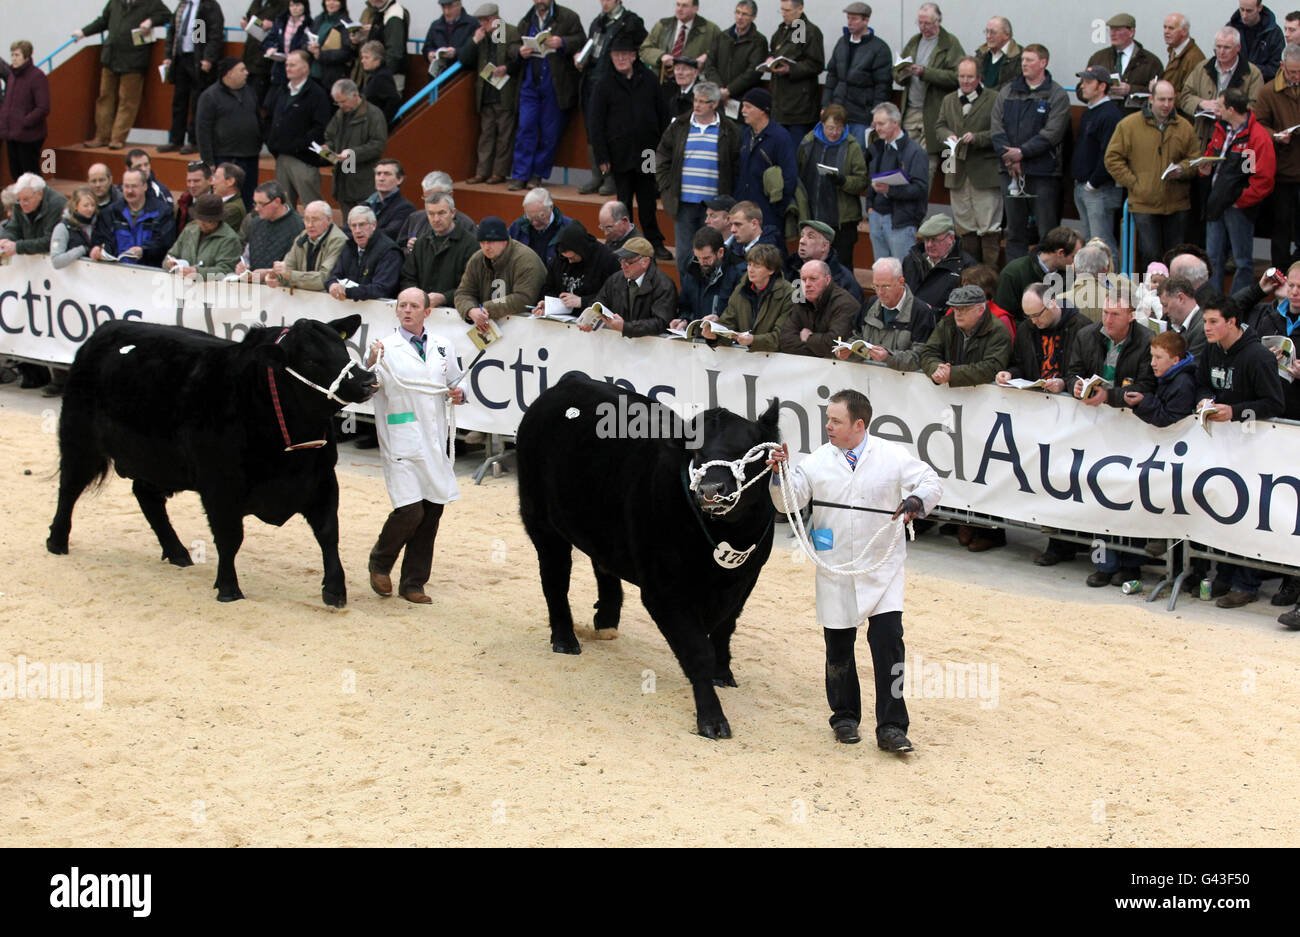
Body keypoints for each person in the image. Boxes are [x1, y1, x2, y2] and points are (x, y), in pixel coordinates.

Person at [766, 388, 942, 750]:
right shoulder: (816, 461)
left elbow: (932, 482)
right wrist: (779, 472)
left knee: (888, 643)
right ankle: (845, 718)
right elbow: (788, 503)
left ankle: (892, 727)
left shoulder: (892, 456)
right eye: (828, 419)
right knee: (839, 647)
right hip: (836, 567)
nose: (827, 425)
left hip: (883, 568)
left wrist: (914, 501)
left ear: (858, 424)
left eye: (836, 420)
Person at [364, 287, 466, 605]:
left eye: (414, 306)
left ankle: (414, 583)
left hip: (433, 436)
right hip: (401, 435)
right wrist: (370, 362)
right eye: (402, 305)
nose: (407, 310)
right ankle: (380, 563)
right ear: (396, 311)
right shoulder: (384, 347)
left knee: (432, 509)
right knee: (409, 509)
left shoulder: (442, 346)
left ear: (427, 312)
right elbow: (366, 384)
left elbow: (456, 381)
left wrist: (458, 393)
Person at [1195, 291, 1285, 607]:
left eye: (1213, 322)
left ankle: (1246, 583)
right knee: (1222, 508)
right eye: (1205, 321)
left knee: (1246, 513)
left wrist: (1235, 411)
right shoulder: (1211, 351)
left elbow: (1274, 402)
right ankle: (1225, 575)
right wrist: (1206, 400)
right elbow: (1203, 383)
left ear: (1232, 322)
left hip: (1252, 447)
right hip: (1221, 446)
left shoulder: (1258, 356)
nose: (1206, 327)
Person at [588, 30, 672, 260]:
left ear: (634, 56)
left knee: (647, 202)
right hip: (619, 153)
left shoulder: (649, 80)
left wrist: (663, 150)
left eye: (625, 55)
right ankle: (625, 246)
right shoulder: (604, 85)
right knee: (622, 203)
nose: (621, 59)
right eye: (616, 55)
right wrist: (602, 157)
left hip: (647, 152)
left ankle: (655, 242)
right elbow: (595, 124)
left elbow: (663, 114)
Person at [1103, 79, 1200, 272]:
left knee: (1176, 257)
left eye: (1171, 100)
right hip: (1143, 203)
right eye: (1162, 99)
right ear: (1151, 99)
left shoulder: (1185, 126)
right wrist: (1134, 183)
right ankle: (1151, 298)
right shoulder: (1129, 125)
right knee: (1150, 255)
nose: (1166, 105)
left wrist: (1183, 169)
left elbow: (1195, 158)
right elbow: (1112, 159)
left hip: (1177, 202)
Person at [990, 43, 1070, 261]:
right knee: (1014, 231)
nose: (1024, 64)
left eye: (1030, 60)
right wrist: (1010, 157)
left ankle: (1048, 282)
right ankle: (1016, 280)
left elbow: (1052, 133)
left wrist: (1022, 153)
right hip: (1009, 171)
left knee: (1048, 234)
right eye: (1023, 60)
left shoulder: (1057, 94)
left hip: (1043, 173)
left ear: (1043, 63)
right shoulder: (1008, 91)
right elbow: (996, 127)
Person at [656, 80, 742, 277]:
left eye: (703, 102)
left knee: (712, 255)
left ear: (714, 104)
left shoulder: (729, 129)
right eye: (696, 100)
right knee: (684, 255)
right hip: (684, 202)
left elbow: (737, 165)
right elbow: (660, 156)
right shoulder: (679, 125)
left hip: (714, 206)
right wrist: (665, 186)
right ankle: (687, 300)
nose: (697, 105)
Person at [1203, 87, 1276, 292]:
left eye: (1219, 105)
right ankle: (1213, 304)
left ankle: (1239, 304)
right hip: (1217, 202)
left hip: (1239, 208)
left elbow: (1262, 179)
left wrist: (1241, 200)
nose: (1216, 109)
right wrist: (1204, 167)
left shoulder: (1257, 137)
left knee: (1242, 260)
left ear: (1232, 109)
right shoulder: (1221, 129)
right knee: (1213, 258)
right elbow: (1211, 155)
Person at [73, 0, 171, 150]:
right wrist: (83, 32)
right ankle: (102, 136)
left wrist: (151, 21)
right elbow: (103, 21)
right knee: (105, 98)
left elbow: (167, 15)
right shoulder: (115, 2)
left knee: (128, 101)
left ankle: (117, 138)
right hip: (111, 57)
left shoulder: (151, 3)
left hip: (134, 60)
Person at [510, 1, 584, 190]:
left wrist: (563, 43)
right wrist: (519, 52)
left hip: (555, 83)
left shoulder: (569, 17)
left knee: (550, 132)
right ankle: (520, 174)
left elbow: (581, 40)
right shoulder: (527, 19)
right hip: (530, 81)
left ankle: (537, 174)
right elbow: (512, 45)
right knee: (525, 127)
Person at [935, 55, 1002, 265]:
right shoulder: (948, 100)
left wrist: (978, 137)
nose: (965, 81)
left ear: (979, 77)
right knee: (964, 226)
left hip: (984, 170)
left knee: (988, 226)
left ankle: (989, 276)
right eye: (962, 76)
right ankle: (970, 274)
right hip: (956, 169)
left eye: (970, 77)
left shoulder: (994, 98)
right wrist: (947, 135)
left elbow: (1000, 131)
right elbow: (939, 126)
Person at [575, 0, 645, 196]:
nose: (604, 3)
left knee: (612, 131)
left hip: (614, 85)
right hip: (591, 82)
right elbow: (591, 47)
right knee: (593, 131)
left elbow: (639, 52)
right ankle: (598, 175)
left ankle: (611, 178)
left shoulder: (630, 22)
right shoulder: (597, 23)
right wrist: (581, 58)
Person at [891, 2, 964, 184]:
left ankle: (920, 204)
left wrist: (925, 73)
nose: (923, 28)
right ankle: (905, 202)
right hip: (911, 110)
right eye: (920, 23)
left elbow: (958, 78)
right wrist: (902, 73)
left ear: (938, 22)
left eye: (927, 24)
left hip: (933, 112)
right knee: (905, 159)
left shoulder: (950, 43)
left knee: (926, 163)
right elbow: (896, 70)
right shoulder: (915, 41)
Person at [795, 104, 867, 264]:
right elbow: (798, 173)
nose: (834, 132)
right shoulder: (808, 142)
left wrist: (843, 181)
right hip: (814, 216)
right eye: (830, 128)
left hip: (841, 221)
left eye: (839, 128)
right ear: (822, 125)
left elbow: (862, 181)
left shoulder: (852, 147)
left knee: (842, 265)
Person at [834, 256, 934, 371]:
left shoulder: (921, 312)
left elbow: (919, 358)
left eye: (886, 286)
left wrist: (888, 357)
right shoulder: (870, 305)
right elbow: (857, 337)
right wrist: (848, 352)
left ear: (901, 282)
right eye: (876, 286)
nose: (880, 293)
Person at [460, 3, 522, 186]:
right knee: (486, 135)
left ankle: (499, 172)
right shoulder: (481, 36)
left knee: (504, 136)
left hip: (505, 93)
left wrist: (507, 68)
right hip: (486, 93)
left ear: (493, 18)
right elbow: (464, 59)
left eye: (484, 21)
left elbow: (518, 60)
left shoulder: (510, 33)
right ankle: (482, 172)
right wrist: (474, 41)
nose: (482, 25)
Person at [263, 48, 332, 211]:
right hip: (281, 157)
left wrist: (299, 145)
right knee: (284, 207)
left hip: (304, 160)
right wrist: (271, 142)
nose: (288, 68)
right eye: (287, 65)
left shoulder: (317, 93)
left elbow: (320, 126)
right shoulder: (281, 90)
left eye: (293, 65)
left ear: (305, 68)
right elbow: (269, 118)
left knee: (313, 207)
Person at [1252, 43, 1300, 268]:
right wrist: (1275, 135)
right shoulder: (1269, 92)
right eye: (1292, 72)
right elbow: (1259, 125)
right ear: (1282, 66)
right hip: (1281, 170)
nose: (1297, 76)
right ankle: (1280, 274)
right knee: (1280, 227)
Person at [864, 102, 930, 261]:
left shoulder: (915, 152)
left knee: (902, 274)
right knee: (882, 274)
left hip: (901, 222)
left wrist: (889, 190)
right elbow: (871, 178)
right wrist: (869, 207)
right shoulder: (878, 147)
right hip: (877, 217)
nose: (877, 128)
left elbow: (920, 188)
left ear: (895, 123)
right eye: (875, 124)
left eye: (882, 124)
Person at [821, 3, 892, 150]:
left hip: (862, 114)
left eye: (854, 19)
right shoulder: (842, 42)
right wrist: (825, 105)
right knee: (835, 154)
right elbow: (832, 76)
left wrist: (876, 113)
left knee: (858, 155)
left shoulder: (879, 48)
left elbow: (883, 85)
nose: (849, 22)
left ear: (866, 20)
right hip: (838, 110)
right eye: (848, 18)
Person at [1072, 66, 1125, 259]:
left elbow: (1110, 154)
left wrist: (1093, 182)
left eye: (1088, 82)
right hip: (1085, 187)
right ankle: (1094, 286)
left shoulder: (1109, 115)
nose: (1082, 86)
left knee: (1102, 243)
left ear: (1102, 86)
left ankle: (1111, 286)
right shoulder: (1090, 111)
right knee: (1090, 242)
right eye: (1083, 82)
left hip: (1100, 189)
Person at [455, 215, 548, 326]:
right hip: (491, 325)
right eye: (482, 242)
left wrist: (486, 309)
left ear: (504, 241)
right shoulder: (477, 259)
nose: (486, 247)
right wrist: (471, 310)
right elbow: (463, 293)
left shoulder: (526, 260)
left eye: (490, 242)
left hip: (525, 329)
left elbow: (524, 299)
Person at [1180, 27, 1263, 149]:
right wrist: (1201, 103)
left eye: (1227, 47)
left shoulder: (1252, 73)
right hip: (1204, 135)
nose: (1221, 52)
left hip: (1236, 139)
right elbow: (1185, 96)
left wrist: (1227, 113)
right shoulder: (1203, 68)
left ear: (1238, 48)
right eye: (1218, 47)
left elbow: (1255, 107)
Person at [919, 283, 1012, 389]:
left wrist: (952, 374)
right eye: (955, 308)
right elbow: (928, 353)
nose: (958, 313)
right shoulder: (947, 323)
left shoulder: (997, 330)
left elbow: (991, 368)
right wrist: (937, 370)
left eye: (964, 309)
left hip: (984, 399)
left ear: (980, 310)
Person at [195, 60, 262, 208]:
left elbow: (257, 118)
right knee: (225, 200)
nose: (247, 73)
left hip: (250, 155)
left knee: (249, 199)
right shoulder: (209, 96)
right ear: (229, 74)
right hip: (225, 157)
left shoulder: (250, 91)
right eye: (242, 70)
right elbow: (203, 130)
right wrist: (208, 161)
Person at [703, 243, 794, 350]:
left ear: (771, 270)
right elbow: (729, 324)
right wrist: (714, 335)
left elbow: (781, 336)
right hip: (746, 361)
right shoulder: (740, 289)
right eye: (749, 264)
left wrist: (753, 340)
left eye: (757, 266)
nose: (750, 270)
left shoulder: (788, 294)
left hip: (777, 361)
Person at [399, 192, 479, 307]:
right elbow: (407, 277)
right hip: (422, 310)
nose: (436, 219)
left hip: (455, 313)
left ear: (453, 213)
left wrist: (445, 298)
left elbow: (473, 286)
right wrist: (416, 294)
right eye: (431, 214)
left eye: (441, 213)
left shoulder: (470, 244)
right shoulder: (421, 243)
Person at [587, 236, 679, 336]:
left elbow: (661, 323)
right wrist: (590, 319)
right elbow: (599, 302)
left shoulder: (664, 285)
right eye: (621, 260)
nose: (623, 266)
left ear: (645, 262)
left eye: (628, 262)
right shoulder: (615, 280)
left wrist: (626, 327)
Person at [324, 78, 389, 216]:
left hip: (364, 181)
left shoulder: (374, 115)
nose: (340, 105)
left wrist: (353, 153)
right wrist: (328, 149)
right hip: (343, 180)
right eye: (338, 102)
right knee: (348, 225)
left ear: (355, 95)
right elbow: (330, 135)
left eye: (343, 101)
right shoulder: (340, 114)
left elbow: (378, 145)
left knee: (363, 222)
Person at [734, 88, 797, 231]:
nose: (743, 110)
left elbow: (789, 176)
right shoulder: (746, 134)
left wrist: (777, 208)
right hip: (744, 210)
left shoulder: (780, 137)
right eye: (743, 106)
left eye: (748, 107)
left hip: (769, 214)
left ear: (763, 110)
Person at [763, 0, 825, 143]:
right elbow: (774, 51)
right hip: (779, 103)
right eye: (782, 10)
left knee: (794, 152)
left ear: (800, 9)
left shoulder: (808, 31)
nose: (783, 14)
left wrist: (791, 69)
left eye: (787, 11)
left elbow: (816, 64)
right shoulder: (782, 31)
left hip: (799, 107)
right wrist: (769, 59)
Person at [90, 168, 176, 267]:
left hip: (150, 272)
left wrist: (144, 251)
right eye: (126, 186)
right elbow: (102, 239)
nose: (130, 191)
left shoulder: (163, 212)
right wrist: (98, 249)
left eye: (134, 186)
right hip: (116, 271)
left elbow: (166, 244)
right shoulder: (110, 212)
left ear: (144, 186)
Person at [994, 225, 1078, 320]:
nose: (1078, 262)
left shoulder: (1070, 275)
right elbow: (1004, 318)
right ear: (1061, 253)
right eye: (1074, 257)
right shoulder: (1013, 273)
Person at [534, 219, 619, 312]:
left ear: (582, 251)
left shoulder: (607, 259)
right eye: (566, 258)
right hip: (561, 315)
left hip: (592, 316)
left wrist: (582, 301)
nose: (569, 262)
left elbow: (613, 295)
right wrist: (548, 303)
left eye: (572, 258)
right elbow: (548, 287)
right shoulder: (559, 259)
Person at [1086, 13, 1164, 113]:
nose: (1112, 34)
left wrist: (1130, 89)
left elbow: (1161, 95)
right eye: (1111, 29)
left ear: (1131, 32)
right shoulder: (1099, 58)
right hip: (1103, 118)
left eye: (1117, 30)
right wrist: (1101, 90)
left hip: (1136, 120)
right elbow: (1081, 90)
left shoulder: (1151, 62)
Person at [779, 260, 857, 356]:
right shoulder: (800, 301)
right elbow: (785, 341)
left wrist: (809, 338)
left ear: (827, 280)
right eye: (803, 279)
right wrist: (818, 349)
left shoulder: (844, 303)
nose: (807, 284)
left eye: (813, 279)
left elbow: (835, 345)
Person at [325, 204, 403, 300]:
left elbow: (381, 289)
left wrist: (347, 291)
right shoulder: (349, 246)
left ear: (373, 225)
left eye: (362, 225)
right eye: (353, 225)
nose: (357, 230)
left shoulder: (389, 251)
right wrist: (332, 284)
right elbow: (334, 275)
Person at [266, 199, 347, 290]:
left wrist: (290, 275)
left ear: (328, 220)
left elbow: (324, 279)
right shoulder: (303, 237)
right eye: (306, 219)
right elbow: (288, 267)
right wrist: (277, 277)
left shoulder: (338, 240)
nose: (309, 224)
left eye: (315, 220)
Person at [1123, 329, 1198, 426]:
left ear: (1175, 360)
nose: (1152, 363)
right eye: (1152, 356)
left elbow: (1171, 423)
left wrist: (1143, 402)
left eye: (1158, 357)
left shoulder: (1183, 383)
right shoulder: (1166, 375)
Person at [0, 41, 51, 179]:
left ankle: (39, 199)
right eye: (12, 55)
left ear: (26, 56)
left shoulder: (37, 76)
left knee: (30, 175)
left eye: (17, 55)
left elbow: (43, 107)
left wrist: (24, 121)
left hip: (29, 136)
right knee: (15, 173)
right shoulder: (12, 77)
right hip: (11, 134)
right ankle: (20, 200)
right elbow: (9, 103)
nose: (13, 58)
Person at [901, 213, 973, 311]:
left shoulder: (966, 267)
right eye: (926, 239)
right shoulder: (911, 260)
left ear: (951, 238)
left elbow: (964, 308)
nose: (929, 245)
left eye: (935, 240)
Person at [671, 225, 743, 323]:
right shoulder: (692, 268)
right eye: (698, 257)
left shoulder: (738, 273)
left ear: (720, 252)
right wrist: (684, 320)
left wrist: (720, 320)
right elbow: (685, 306)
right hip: (696, 335)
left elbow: (741, 314)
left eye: (706, 258)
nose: (701, 262)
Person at [640, 0, 719, 87]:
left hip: (693, 85)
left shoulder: (710, 29)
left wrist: (707, 58)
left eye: (684, 6)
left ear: (695, 8)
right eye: (678, 5)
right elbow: (644, 49)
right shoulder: (663, 25)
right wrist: (660, 56)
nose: (679, 9)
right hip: (662, 81)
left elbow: (721, 53)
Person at [164, 192, 243, 278]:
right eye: (200, 219)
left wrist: (198, 272)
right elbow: (170, 256)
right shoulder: (189, 231)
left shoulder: (229, 239)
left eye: (209, 221)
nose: (203, 223)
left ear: (218, 219)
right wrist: (170, 265)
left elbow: (226, 270)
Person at [705, 1, 766, 110]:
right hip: (718, 96)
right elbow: (709, 65)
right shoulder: (722, 37)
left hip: (743, 98)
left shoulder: (758, 41)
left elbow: (753, 71)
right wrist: (719, 88)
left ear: (753, 17)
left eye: (744, 14)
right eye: (737, 12)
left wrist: (730, 90)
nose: (740, 17)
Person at [785, 219, 862, 302]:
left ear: (824, 246)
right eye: (802, 236)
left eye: (810, 237)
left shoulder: (843, 280)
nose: (802, 241)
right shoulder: (789, 270)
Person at [240, 181, 305, 280]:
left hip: (281, 287)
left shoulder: (299, 226)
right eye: (255, 203)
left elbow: (298, 266)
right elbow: (248, 252)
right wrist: (243, 264)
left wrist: (269, 272)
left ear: (277, 202)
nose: (257, 208)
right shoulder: (256, 222)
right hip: (253, 284)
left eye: (261, 204)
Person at [0, 173, 67, 260]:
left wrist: (17, 247)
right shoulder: (20, 202)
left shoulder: (57, 204)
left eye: (26, 199)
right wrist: (5, 241)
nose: (22, 204)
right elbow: (13, 228)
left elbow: (50, 241)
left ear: (39, 194)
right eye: (19, 199)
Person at [240, 1, 290, 105]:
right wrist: (246, 23)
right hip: (250, 53)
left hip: (266, 57)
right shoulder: (256, 2)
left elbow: (289, 24)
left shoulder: (283, 4)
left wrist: (273, 25)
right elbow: (251, 17)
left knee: (258, 99)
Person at [508, 187, 570, 265]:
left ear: (551, 207)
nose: (534, 223)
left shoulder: (568, 228)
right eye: (530, 218)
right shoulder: (517, 227)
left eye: (540, 216)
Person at [358, 0, 409, 92]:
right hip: (381, 74)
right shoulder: (382, 11)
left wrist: (382, 75)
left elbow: (395, 52)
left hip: (388, 77)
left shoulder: (394, 16)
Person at [1156, 274, 1209, 360]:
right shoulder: (1172, 324)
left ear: (1180, 298)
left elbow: (1191, 367)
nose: (1164, 311)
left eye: (1165, 305)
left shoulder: (1202, 328)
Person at [1231, 0, 1286, 82]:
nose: (1244, 15)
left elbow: (1277, 69)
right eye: (1242, 9)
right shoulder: (1231, 29)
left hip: (1263, 85)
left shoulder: (1274, 33)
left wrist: (1251, 69)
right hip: (1234, 86)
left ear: (1259, 8)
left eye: (1249, 11)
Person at [263, 0, 314, 89]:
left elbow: (307, 45)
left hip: (298, 68)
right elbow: (270, 39)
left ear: (304, 6)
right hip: (280, 66)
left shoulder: (310, 24)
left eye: (297, 5)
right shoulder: (281, 20)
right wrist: (271, 48)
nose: (294, 8)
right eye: (291, 5)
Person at [363, 158, 416, 241]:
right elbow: (347, 230)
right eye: (378, 174)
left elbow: (390, 233)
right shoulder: (365, 204)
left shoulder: (405, 208)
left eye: (387, 174)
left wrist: (360, 234)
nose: (381, 178)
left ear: (399, 179)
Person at [1163, 13, 1205, 119]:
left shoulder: (1193, 58)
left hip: (1184, 119)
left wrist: (1161, 92)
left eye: (1171, 28)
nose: (1166, 32)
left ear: (1184, 31)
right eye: (1165, 27)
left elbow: (1188, 96)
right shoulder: (1175, 51)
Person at [309, 0, 357, 92]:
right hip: (313, 74)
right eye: (328, 0)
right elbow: (306, 39)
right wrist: (308, 48)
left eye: (335, 1)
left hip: (332, 77)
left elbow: (346, 53)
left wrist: (322, 55)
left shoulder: (345, 24)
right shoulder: (319, 20)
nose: (331, 3)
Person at [50, 186, 101, 270]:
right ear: (75, 206)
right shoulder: (63, 228)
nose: (90, 209)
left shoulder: (98, 222)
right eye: (86, 205)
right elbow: (56, 261)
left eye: (93, 205)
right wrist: (82, 249)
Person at [424, 0, 478, 77]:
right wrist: (429, 54)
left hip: (461, 76)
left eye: (450, 7)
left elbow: (476, 51)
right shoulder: (435, 25)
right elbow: (427, 47)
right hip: (439, 76)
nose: (446, 12)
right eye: (443, 7)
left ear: (459, 5)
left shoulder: (472, 24)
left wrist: (455, 53)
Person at [725, 199, 785, 266]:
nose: (732, 230)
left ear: (754, 224)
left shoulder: (770, 253)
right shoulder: (733, 249)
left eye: (738, 224)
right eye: (731, 225)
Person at [358, 39, 401, 125]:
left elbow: (394, 100)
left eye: (366, 57)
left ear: (378, 60)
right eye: (362, 57)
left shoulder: (382, 77)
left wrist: (381, 122)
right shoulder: (376, 75)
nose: (362, 61)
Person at [974, 15, 1020, 91]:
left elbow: (1012, 86)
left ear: (1006, 35)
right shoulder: (981, 53)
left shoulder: (1019, 57)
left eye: (993, 32)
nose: (988, 36)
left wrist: (987, 96)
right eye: (986, 32)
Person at [175, 161, 213, 231]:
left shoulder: (219, 203)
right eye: (189, 181)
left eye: (196, 181)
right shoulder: (183, 202)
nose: (192, 185)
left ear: (210, 180)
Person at [664, 55, 703, 119]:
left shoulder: (703, 96)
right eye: (677, 69)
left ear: (695, 73)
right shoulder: (672, 97)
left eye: (684, 69)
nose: (680, 73)